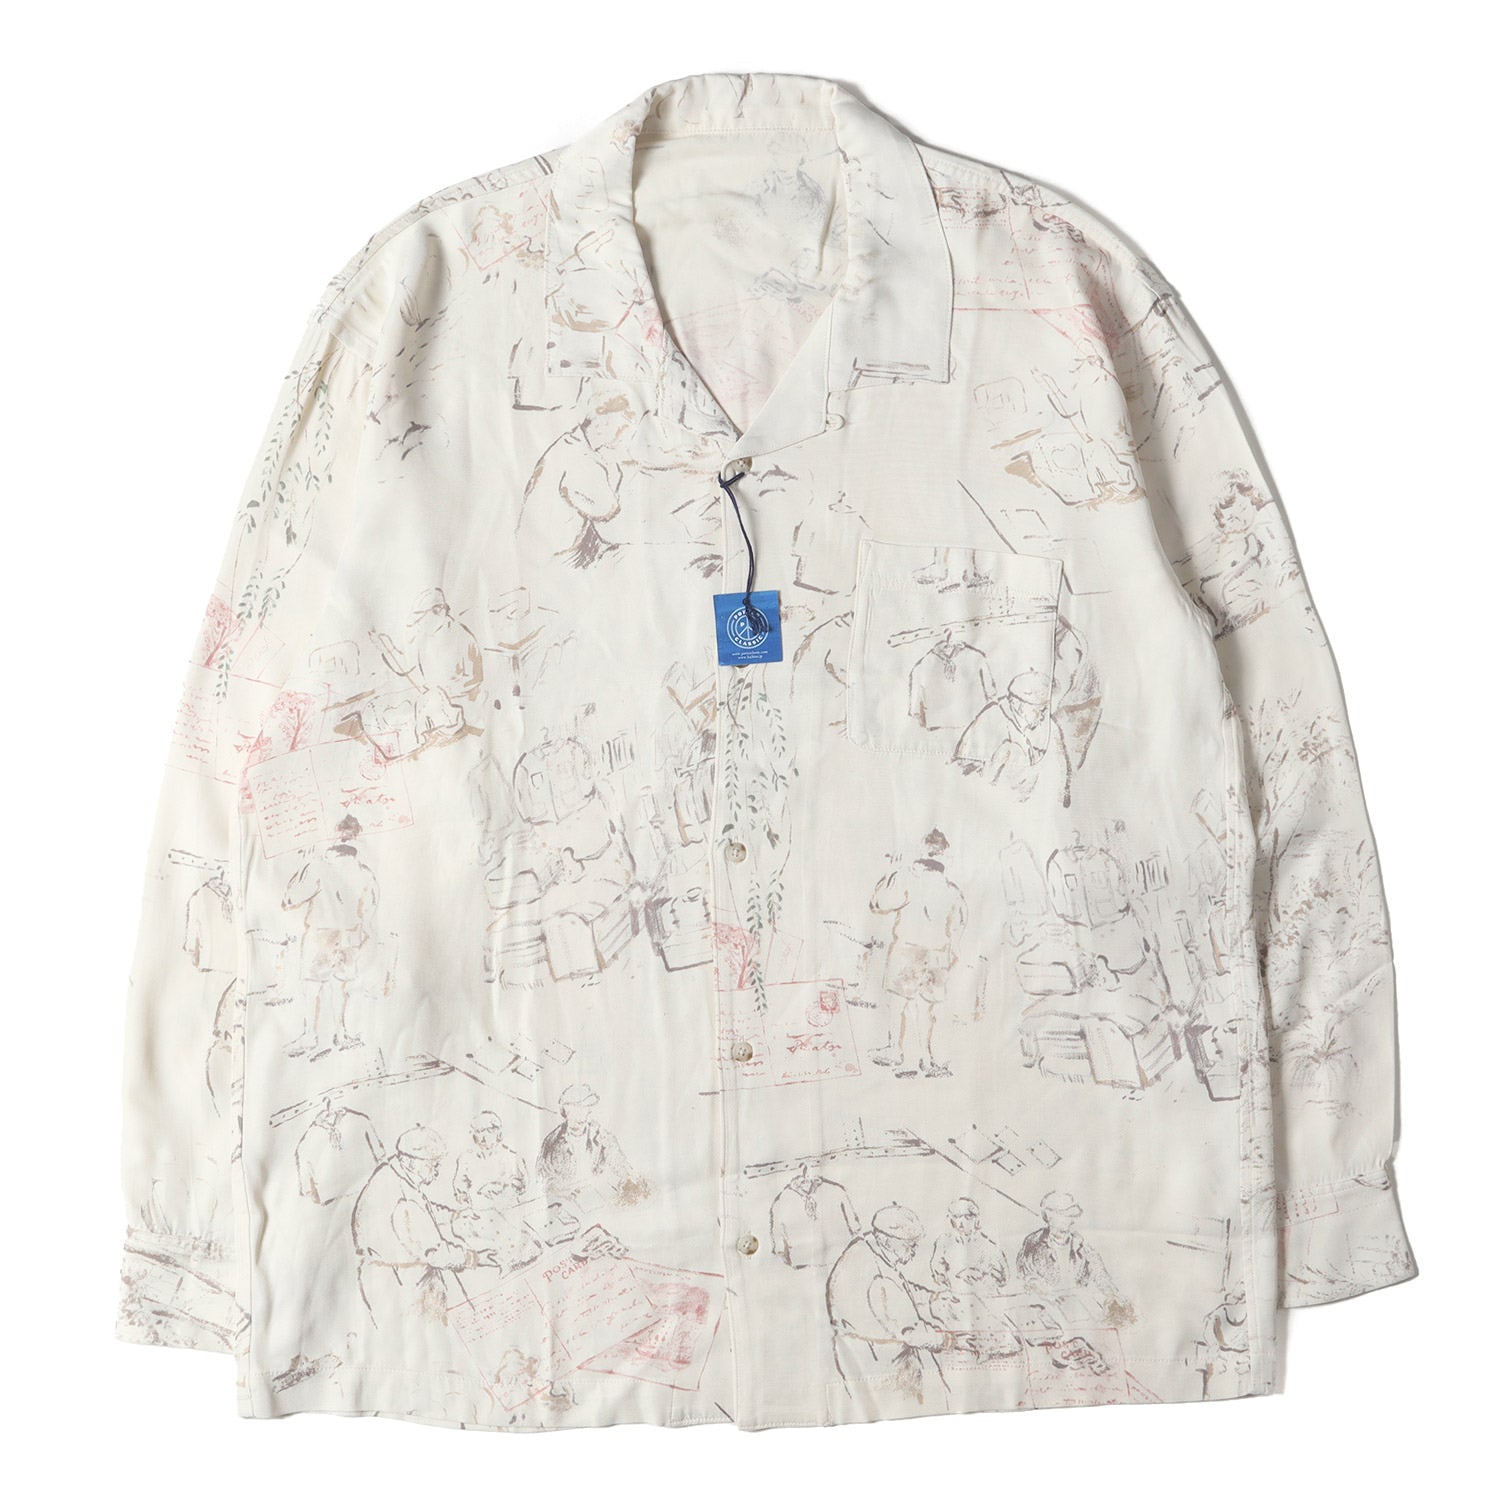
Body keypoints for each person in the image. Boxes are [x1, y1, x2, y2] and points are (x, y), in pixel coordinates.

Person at [825, 1204, 966, 1408]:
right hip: (879, 1365)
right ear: (888, 1241)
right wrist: (947, 1339)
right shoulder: (872, 1272)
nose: (914, 1251)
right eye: (910, 1245)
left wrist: (932, 1298)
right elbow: (909, 1331)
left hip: (875, 1354)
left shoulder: (870, 1250)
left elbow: (902, 1289)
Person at [350, 1127, 474, 1329]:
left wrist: (454, 1216)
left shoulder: (394, 1175)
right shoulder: (399, 1196)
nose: (437, 1170)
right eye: (432, 1164)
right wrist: (473, 1258)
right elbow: (435, 1252)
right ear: (411, 1161)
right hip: (402, 1283)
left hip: (392, 1276)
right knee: (427, 1335)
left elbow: (424, 1210)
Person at [868, 829, 967, 1078]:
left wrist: (891, 871)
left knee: (898, 1004)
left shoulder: (907, 879)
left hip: (908, 950)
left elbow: (879, 904)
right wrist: (953, 953)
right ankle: (926, 1057)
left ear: (921, 851)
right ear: (944, 855)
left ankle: (895, 1050)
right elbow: (958, 924)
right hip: (937, 953)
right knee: (926, 1009)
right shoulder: (952, 890)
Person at [536, 1083, 644, 1204]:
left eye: (589, 1106)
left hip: (597, 1199)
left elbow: (617, 1160)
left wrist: (628, 1176)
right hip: (565, 1202)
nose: (588, 1110)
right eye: (583, 1106)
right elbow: (542, 1178)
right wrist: (560, 1191)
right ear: (568, 1109)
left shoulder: (600, 1135)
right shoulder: (552, 1142)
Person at [930, 1196, 1008, 1325]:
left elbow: (1003, 1278)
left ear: (976, 1220)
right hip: (954, 1303)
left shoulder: (989, 1247)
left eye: (967, 1217)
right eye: (957, 1217)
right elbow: (938, 1270)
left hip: (984, 1305)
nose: (961, 1222)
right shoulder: (944, 1242)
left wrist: (980, 1276)